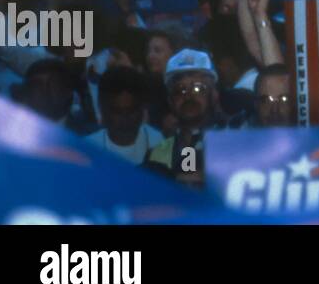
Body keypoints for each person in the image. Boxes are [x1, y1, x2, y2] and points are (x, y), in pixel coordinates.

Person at [144, 48, 232, 186]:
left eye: (198, 89)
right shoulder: (159, 154)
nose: (188, 96)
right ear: (170, 101)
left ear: (214, 95)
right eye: (180, 90)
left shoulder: (233, 142)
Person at [87, 65, 165, 163]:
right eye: (117, 112)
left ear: (142, 109)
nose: (125, 119)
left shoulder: (158, 142)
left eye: (131, 111)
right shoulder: (88, 147)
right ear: (102, 109)